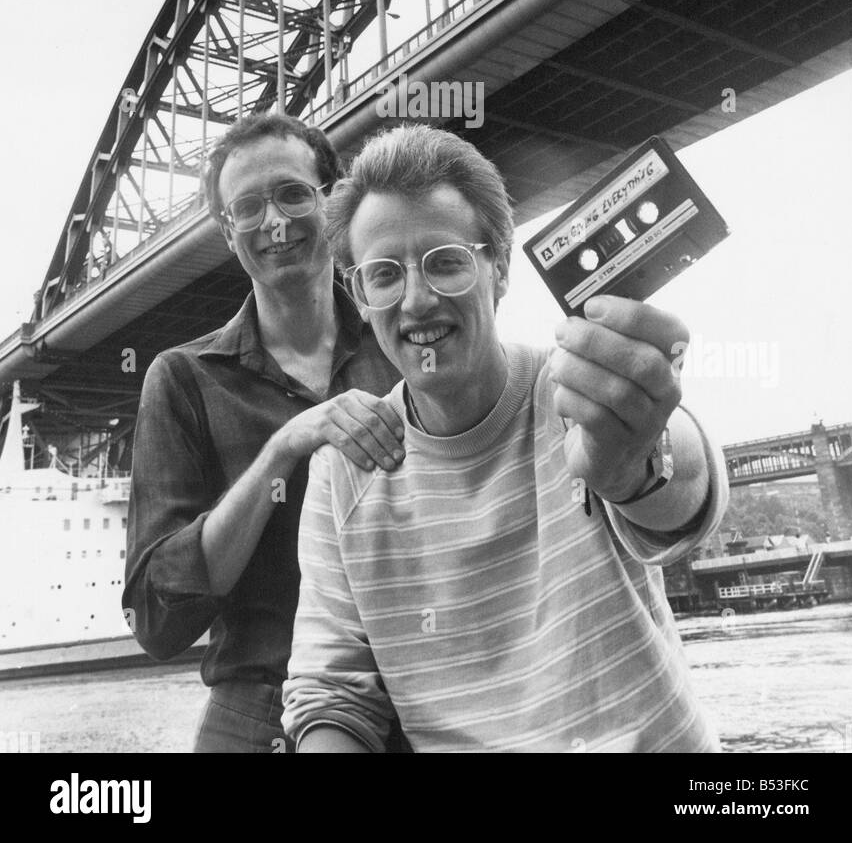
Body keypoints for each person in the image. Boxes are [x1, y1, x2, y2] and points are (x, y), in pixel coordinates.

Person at [282, 124, 729, 753]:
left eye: (445, 262)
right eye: (384, 275)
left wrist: (632, 466)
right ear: (358, 296)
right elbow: (331, 693)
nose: (416, 301)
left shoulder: (575, 391)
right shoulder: (343, 467)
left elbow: (687, 498)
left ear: (499, 270)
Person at [122, 112, 406, 753]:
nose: (274, 222)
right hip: (259, 719)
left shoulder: (402, 338)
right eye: (247, 207)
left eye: (292, 193)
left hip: (417, 704)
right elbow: (157, 619)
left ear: (330, 202)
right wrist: (284, 448)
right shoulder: (183, 380)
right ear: (227, 232)